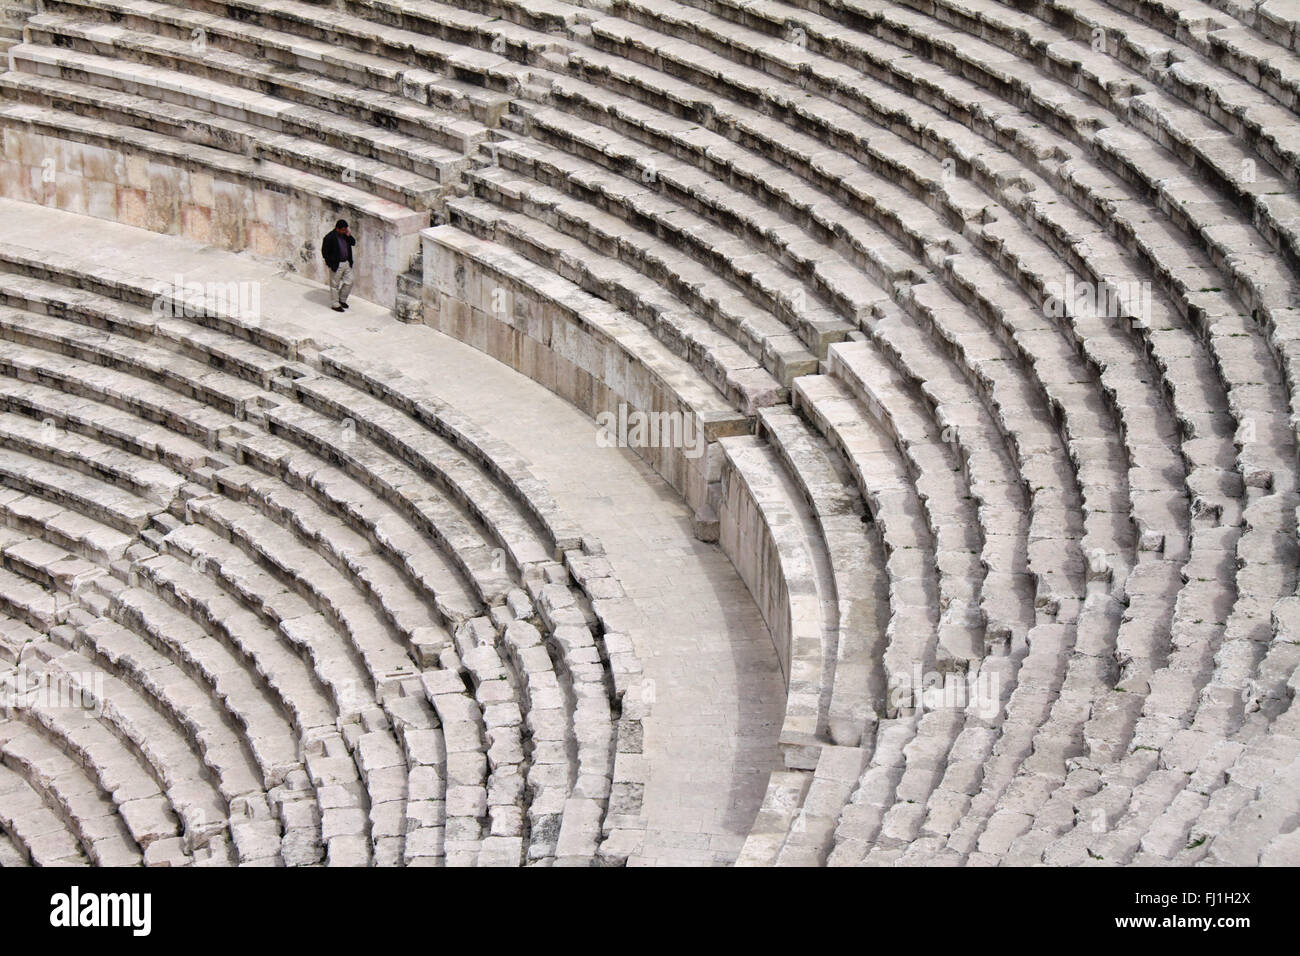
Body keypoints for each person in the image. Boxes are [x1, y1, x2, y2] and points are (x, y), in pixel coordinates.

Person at [321, 219, 356, 312]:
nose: (345, 231)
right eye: (343, 230)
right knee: (334, 285)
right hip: (336, 264)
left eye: (346, 229)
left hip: (346, 263)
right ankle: (335, 304)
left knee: (350, 281)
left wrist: (349, 235)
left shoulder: (345, 236)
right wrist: (330, 264)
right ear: (338, 229)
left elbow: (353, 243)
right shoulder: (330, 237)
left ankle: (342, 299)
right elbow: (325, 252)